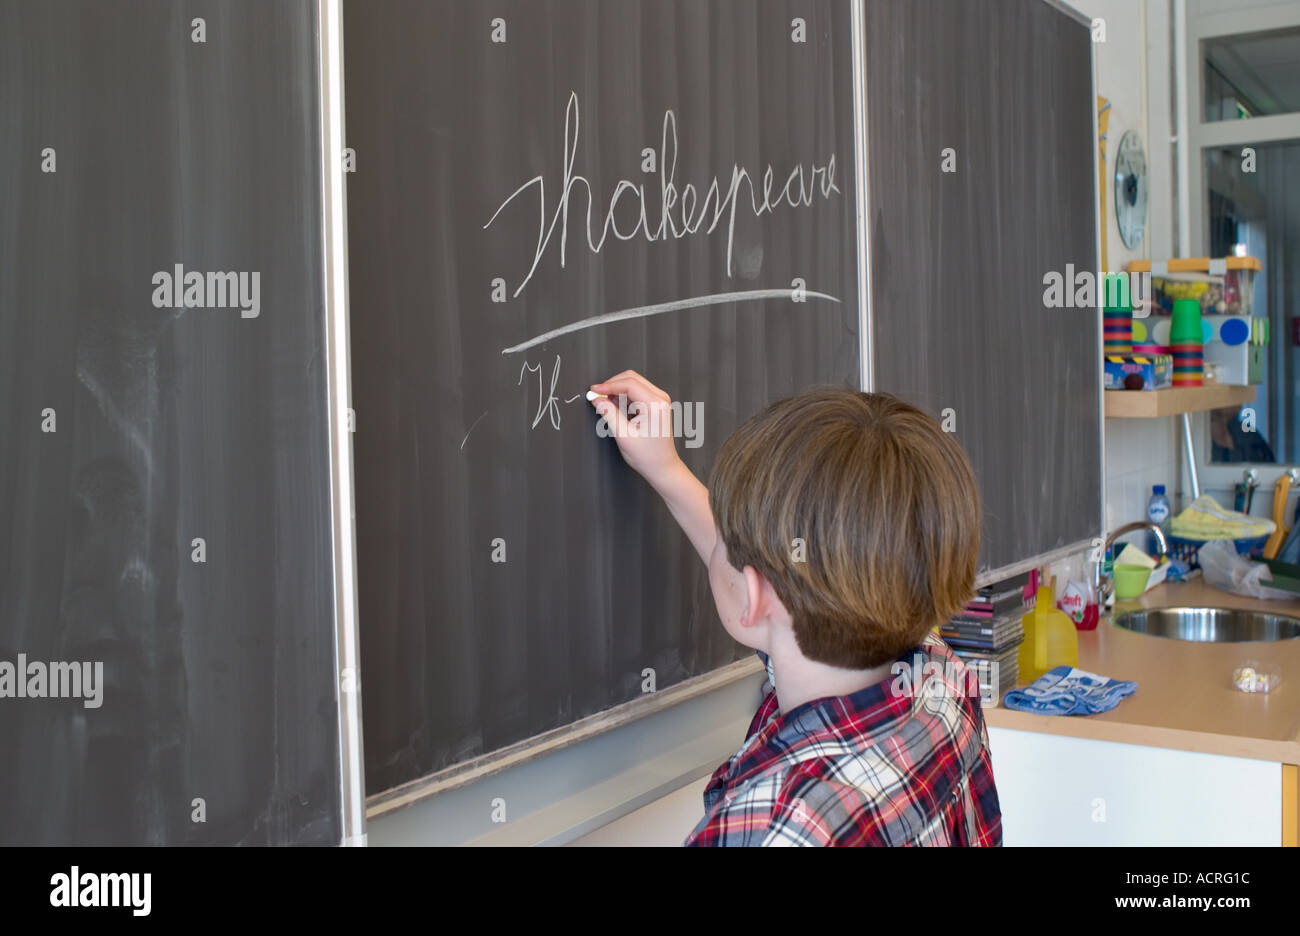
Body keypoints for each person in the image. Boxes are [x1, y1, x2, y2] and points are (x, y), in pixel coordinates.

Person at [589, 371, 1001, 846]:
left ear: (755, 595)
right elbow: (802, 597)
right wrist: (667, 471)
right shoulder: (941, 682)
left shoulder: (771, 830)